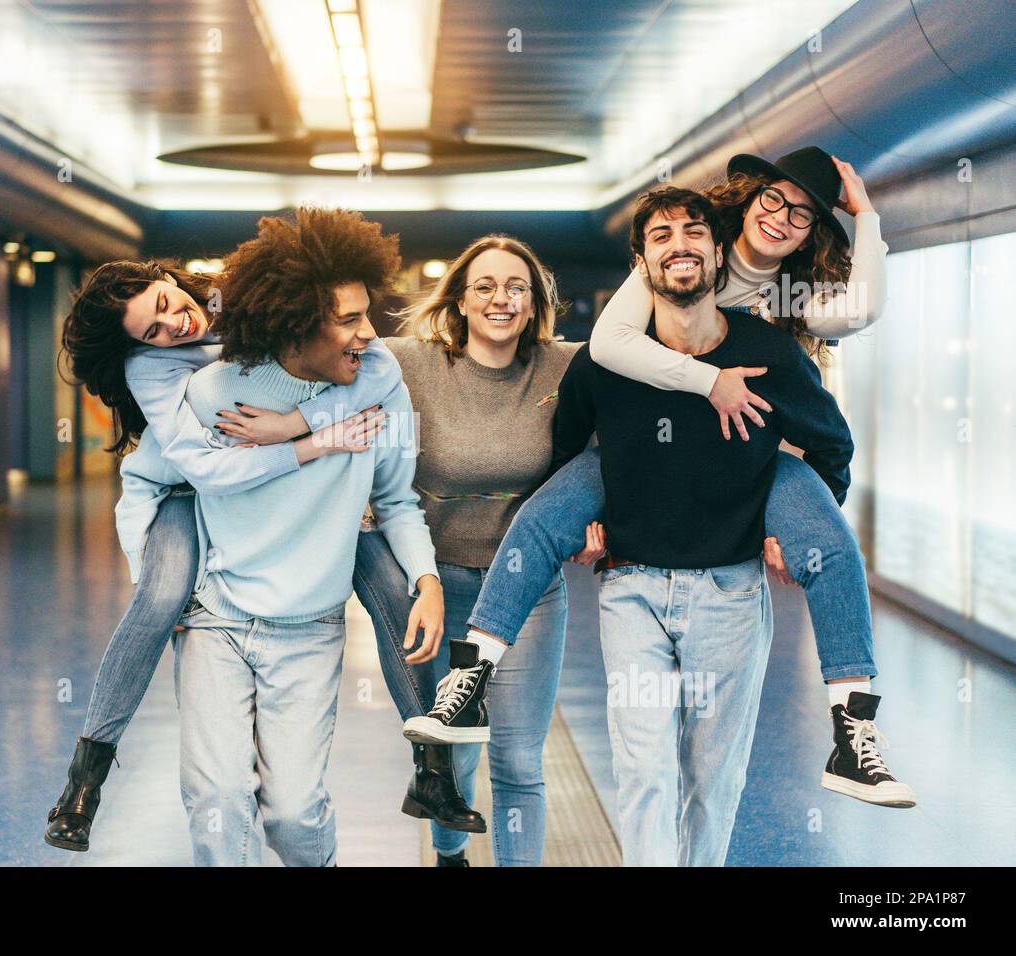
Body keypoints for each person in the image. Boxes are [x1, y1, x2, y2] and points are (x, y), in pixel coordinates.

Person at [449, 148, 915, 807]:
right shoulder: (686, 256)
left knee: (833, 546)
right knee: (542, 519)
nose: (782, 219)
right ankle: (468, 685)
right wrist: (710, 381)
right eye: (774, 201)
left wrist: (864, 214)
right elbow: (607, 349)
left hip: (744, 459)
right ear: (747, 202)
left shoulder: (791, 304)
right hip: (639, 452)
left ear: (812, 235)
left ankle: (853, 735)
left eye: (804, 215)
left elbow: (860, 316)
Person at [43, 257, 426, 851]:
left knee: (389, 585)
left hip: (270, 530)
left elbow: (378, 367)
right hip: (177, 491)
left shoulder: (241, 305)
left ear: (169, 279)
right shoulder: (157, 368)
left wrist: (292, 422)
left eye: (167, 304)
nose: (174, 324)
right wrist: (314, 441)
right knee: (164, 595)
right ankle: (86, 776)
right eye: (152, 328)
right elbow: (206, 468)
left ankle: (433, 767)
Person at [561, 187, 860, 863]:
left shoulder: (771, 355)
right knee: (644, 773)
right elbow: (567, 447)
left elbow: (832, 446)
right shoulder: (607, 361)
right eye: (661, 236)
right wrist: (588, 520)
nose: (680, 245)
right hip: (630, 591)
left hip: (732, 594)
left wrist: (798, 526)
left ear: (718, 252)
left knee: (713, 780)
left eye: (694, 231)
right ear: (642, 262)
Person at [174, 207, 442, 866]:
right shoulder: (214, 391)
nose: (367, 333)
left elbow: (396, 500)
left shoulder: (381, 384)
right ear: (296, 321)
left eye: (366, 314)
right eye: (348, 319)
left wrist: (425, 580)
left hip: (309, 625)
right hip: (218, 622)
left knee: (295, 816)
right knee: (218, 804)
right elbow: (173, 481)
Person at [370, 235, 580, 867]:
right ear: (460, 300)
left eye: (517, 287)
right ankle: (450, 856)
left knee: (517, 757)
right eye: (485, 286)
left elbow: (615, 438)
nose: (501, 299)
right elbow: (319, 360)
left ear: (535, 302)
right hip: (436, 587)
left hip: (526, 592)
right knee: (453, 748)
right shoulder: (409, 361)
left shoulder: (566, 367)